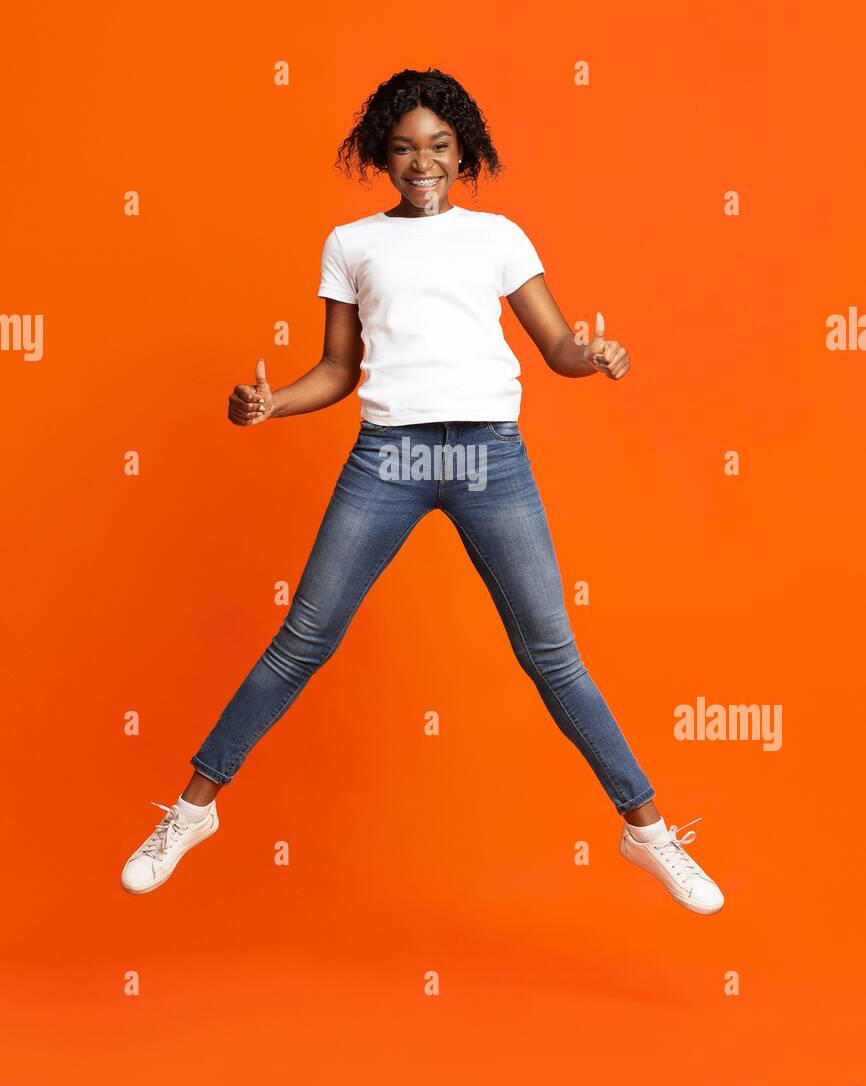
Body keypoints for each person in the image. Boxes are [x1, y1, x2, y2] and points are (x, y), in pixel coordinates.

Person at [121, 67, 724, 915]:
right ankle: (189, 813)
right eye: (403, 149)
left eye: (439, 146)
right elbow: (336, 370)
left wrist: (595, 357)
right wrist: (269, 404)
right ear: (381, 155)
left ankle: (648, 832)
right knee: (305, 638)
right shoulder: (351, 243)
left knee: (550, 654)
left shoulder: (500, 237)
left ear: (463, 149)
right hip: (389, 458)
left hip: (488, 457)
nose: (423, 162)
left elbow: (555, 345)